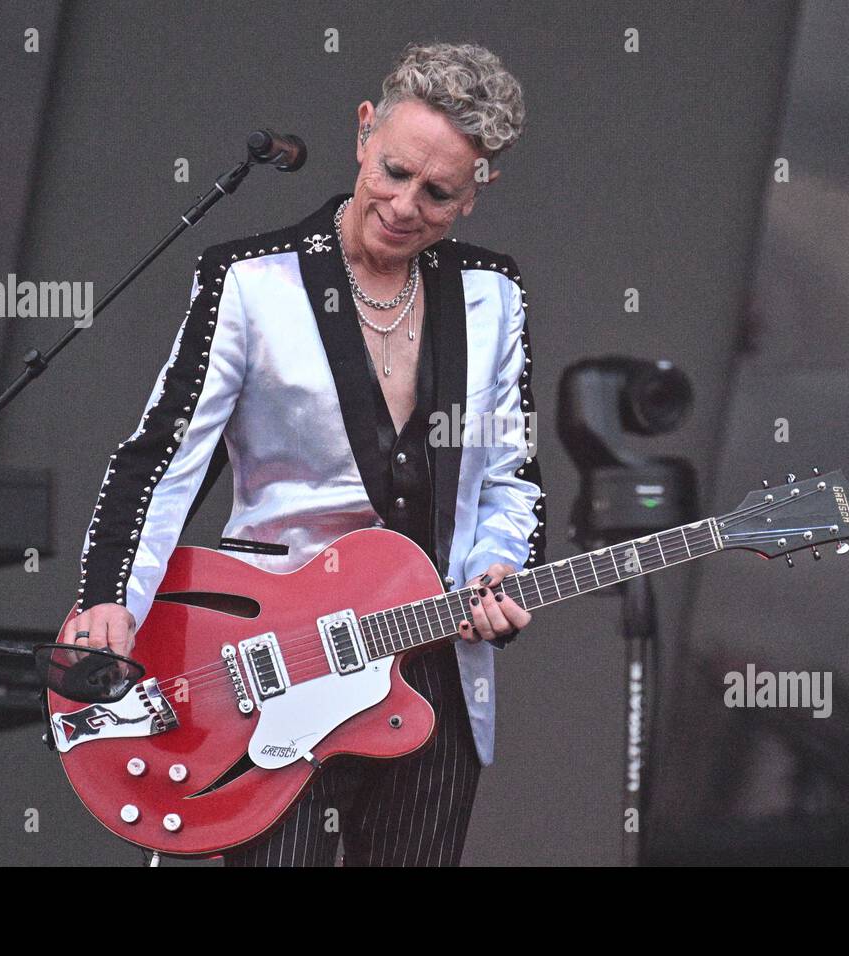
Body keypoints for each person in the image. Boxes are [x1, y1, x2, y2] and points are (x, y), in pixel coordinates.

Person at [62, 41, 546, 865]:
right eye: (393, 170)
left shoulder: (492, 296)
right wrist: (110, 598)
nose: (403, 204)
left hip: (428, 662)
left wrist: (499, 568)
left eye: (438, 193)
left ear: (477, 192)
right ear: (364, 132)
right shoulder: (251, 282)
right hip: (273, 661)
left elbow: (511, 478)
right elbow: (159, 460)